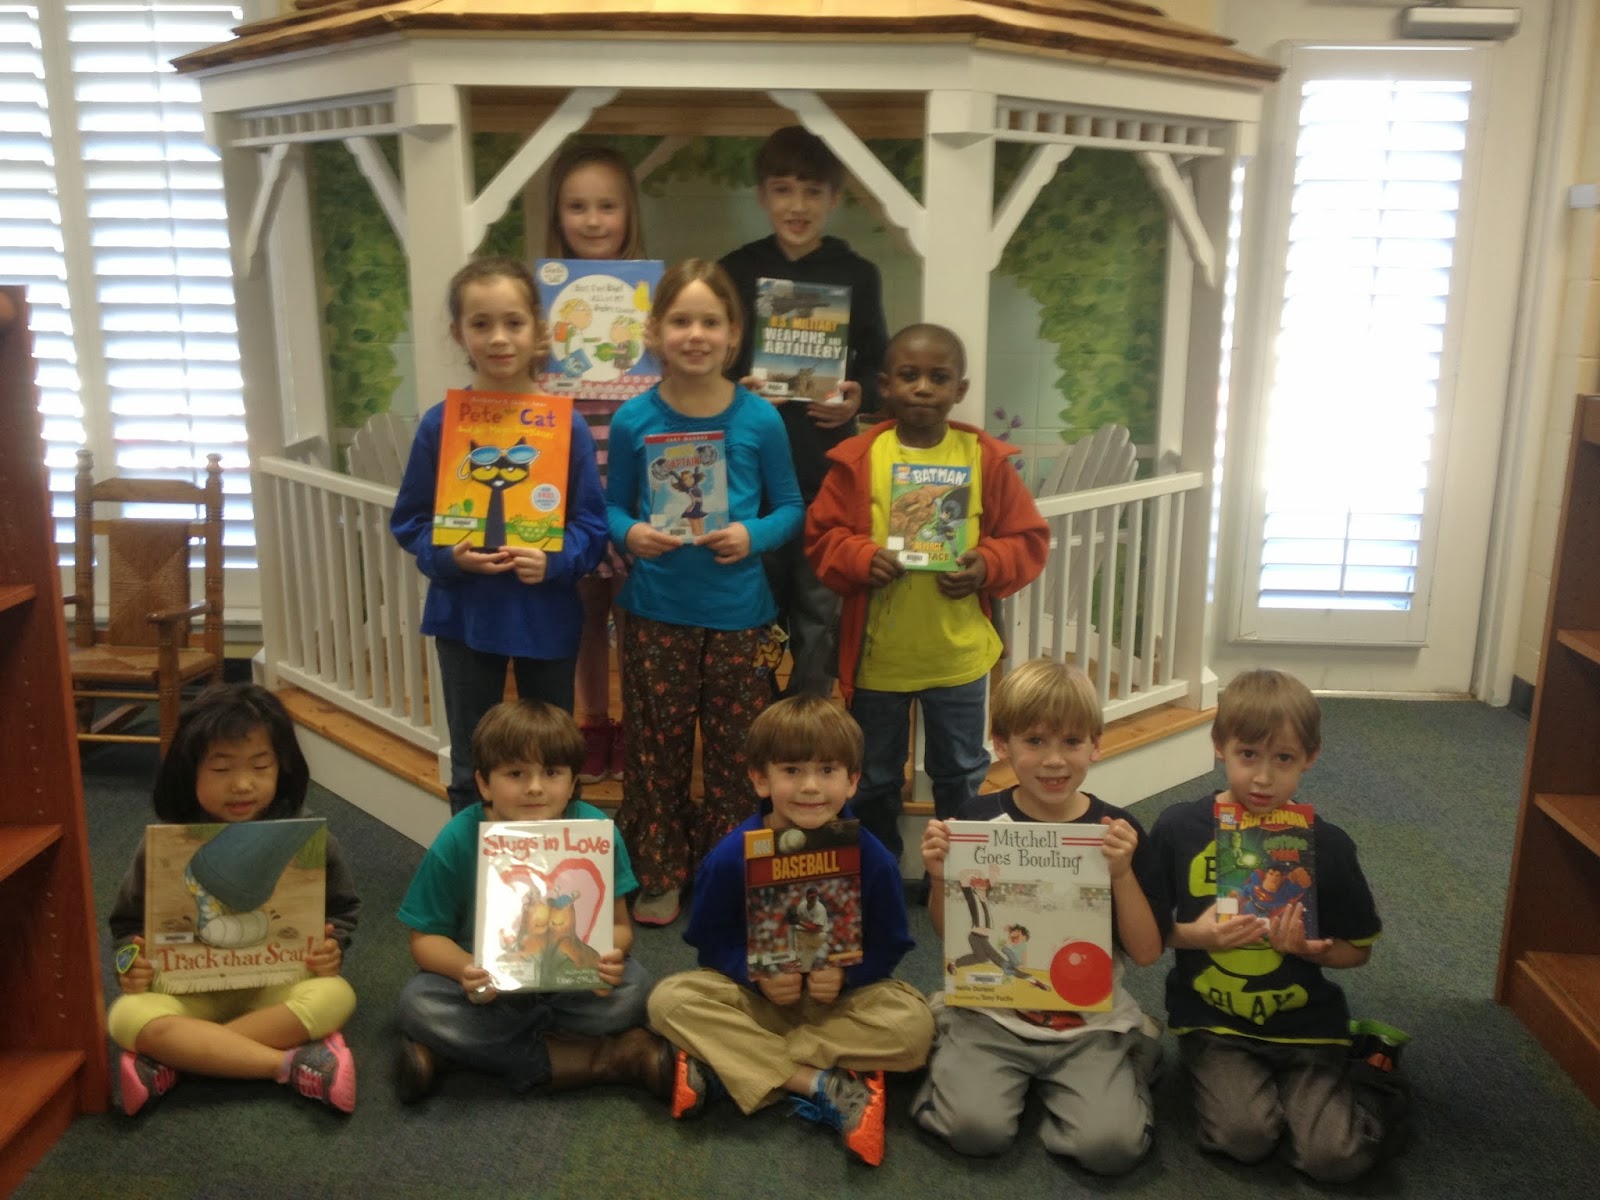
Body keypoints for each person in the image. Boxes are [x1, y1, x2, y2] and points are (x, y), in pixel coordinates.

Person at [1146, 668, 1410, 1182]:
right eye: (1249, 755)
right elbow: (1144, 933)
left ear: (1310, 757)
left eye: (1283, 759)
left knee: (1336, 1160)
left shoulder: (1327, 846)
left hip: (1305, 1026)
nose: (1263, 778)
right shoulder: (1179, 828)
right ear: (1220, 746)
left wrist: (1311, 951)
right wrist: (1193, 935)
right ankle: (1292, 1101)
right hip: (1214, 1023)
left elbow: (1358, 950)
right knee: (1242, 1139)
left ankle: (1372, 1075)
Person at [646, 695, 934, 1166]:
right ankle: (823, 1083)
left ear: (853, 781)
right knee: (668, 1000)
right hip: (759, 1003)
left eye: (827, 771)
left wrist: (849, 976)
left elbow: (892, 942)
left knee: (915, 1026)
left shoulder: (872, 856)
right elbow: (709, 941)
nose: (810, 787)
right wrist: (751, 972)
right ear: (761, 779)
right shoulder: (731, 855)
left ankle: (732, 1063)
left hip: (838, 1006)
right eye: (792, 771)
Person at [605, 258, 804, 926]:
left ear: (733, 333)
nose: (695, 334)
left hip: (741, 617)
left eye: (709, 321)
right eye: (681, 320)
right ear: (656, 330)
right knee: (656, 751)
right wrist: (630, 532)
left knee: (734, 756)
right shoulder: (635, 419)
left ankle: (724, 870)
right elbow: (607, 508)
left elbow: (791, 509)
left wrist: (754, 535)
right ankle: (658, 873)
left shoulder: (760, 419)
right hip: (655, 612)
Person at [805, 322, 1049, 860]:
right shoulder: (859, 458)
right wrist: (863, 558)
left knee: (961, 775)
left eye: (938, 378)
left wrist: (986, 564)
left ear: (960, 389)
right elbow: (822, 538)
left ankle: (960, 879)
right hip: (877, 661)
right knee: (871, 782)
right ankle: (878, 878)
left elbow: (1027, 539)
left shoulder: (982, 458)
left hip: (957, 657)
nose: (922, 388)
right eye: (909, 376)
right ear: (884, 385)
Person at [913, 659, 1163, 1171]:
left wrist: (1121, 874)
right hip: (992, 1014)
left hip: (1088, 1023)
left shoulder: (1117, 831)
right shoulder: (975, 820)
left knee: (1111, 1149)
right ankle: (954, 1031)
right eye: (1035, 741)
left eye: (1072, 742)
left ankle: (1130, 1051)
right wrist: (940, 876)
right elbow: (951, 935)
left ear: (1096, 743)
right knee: (972, 1131)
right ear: (1002, 744)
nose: (1054, 761)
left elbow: (1146, 951)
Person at [391, 255, 608, 814]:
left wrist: (554, 563)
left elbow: (590, 524)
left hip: (546, 614)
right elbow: (410, 520)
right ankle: (474, 884)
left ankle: (561, 877)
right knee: (472, 761)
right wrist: (448, 558)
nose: (498, 338)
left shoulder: (566, 425)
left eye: (513, 322)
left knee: (554, 757)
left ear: (538, 330)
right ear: (458, 333)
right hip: (465, 617)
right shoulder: (442, 424)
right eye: (481, 323)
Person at [394, 699, 669, 1103]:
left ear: (574, 780)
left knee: (637, 990)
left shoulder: (596, 832)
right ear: (485, 783)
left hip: (569, 985)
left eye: (552, 772)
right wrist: (465, 968)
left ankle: (457, 1054)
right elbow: (424, 940)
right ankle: (605, 1057)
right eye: (516, 773)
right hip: (487, 990)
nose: (536, 787)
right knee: (418, 1004)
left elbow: (620, 928)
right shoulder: (458, 838)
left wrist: (608, 957)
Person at [107, 683, 360, 1116]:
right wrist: (132, 963)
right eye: (221, 770)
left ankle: (183, 1058)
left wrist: (331, 950)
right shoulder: (166, 846)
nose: (242, 785)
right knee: (124, 1016)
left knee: (335, 995)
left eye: (261, 766)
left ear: (282, 768)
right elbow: (128, 926)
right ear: (190, 773)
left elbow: (341, 912)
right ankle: (287, 1063)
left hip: (275, 985)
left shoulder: (308, 840)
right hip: (188, 987)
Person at [720, 125, 889, 701]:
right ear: (762, 195)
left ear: (834, 199)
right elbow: (705, 366)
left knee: (820, 611)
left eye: (812, 191)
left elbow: (879, 370)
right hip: (752, 478)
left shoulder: (858, 275)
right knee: (757, 609)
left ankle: (810, 724)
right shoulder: (734, 272)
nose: (798, 205)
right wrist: (733, 389)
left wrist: (857, 396)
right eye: (783, 189)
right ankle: (760, 721)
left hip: (825, 474)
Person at [547, 144, 648, 786]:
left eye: (607, 205)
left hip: (637, 478)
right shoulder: (541, 300)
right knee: (584, 612)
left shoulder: (650, 295)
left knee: (636, 614)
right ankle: (593, 722)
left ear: (628, 213)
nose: (592, 219)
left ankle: (635, 724)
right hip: (570, 480)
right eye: (577, 206)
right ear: (557, 215)